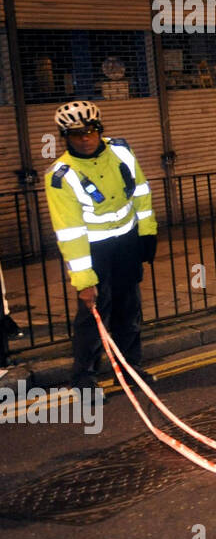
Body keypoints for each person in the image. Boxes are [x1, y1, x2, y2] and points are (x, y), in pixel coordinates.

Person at [44, 101, 158, 389]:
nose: (85, 138)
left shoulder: (121, 150)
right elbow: (69, 231)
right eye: (76, 133)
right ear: (64, 136)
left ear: (99, 130)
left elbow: (141, 192)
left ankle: (130, 370)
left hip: (127, 243)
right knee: (93, 318)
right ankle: (84, 379)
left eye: (91, 131)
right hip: (94, 251)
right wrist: (83, 280)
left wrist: (147, 232)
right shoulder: (61, 176)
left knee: (128, 310)